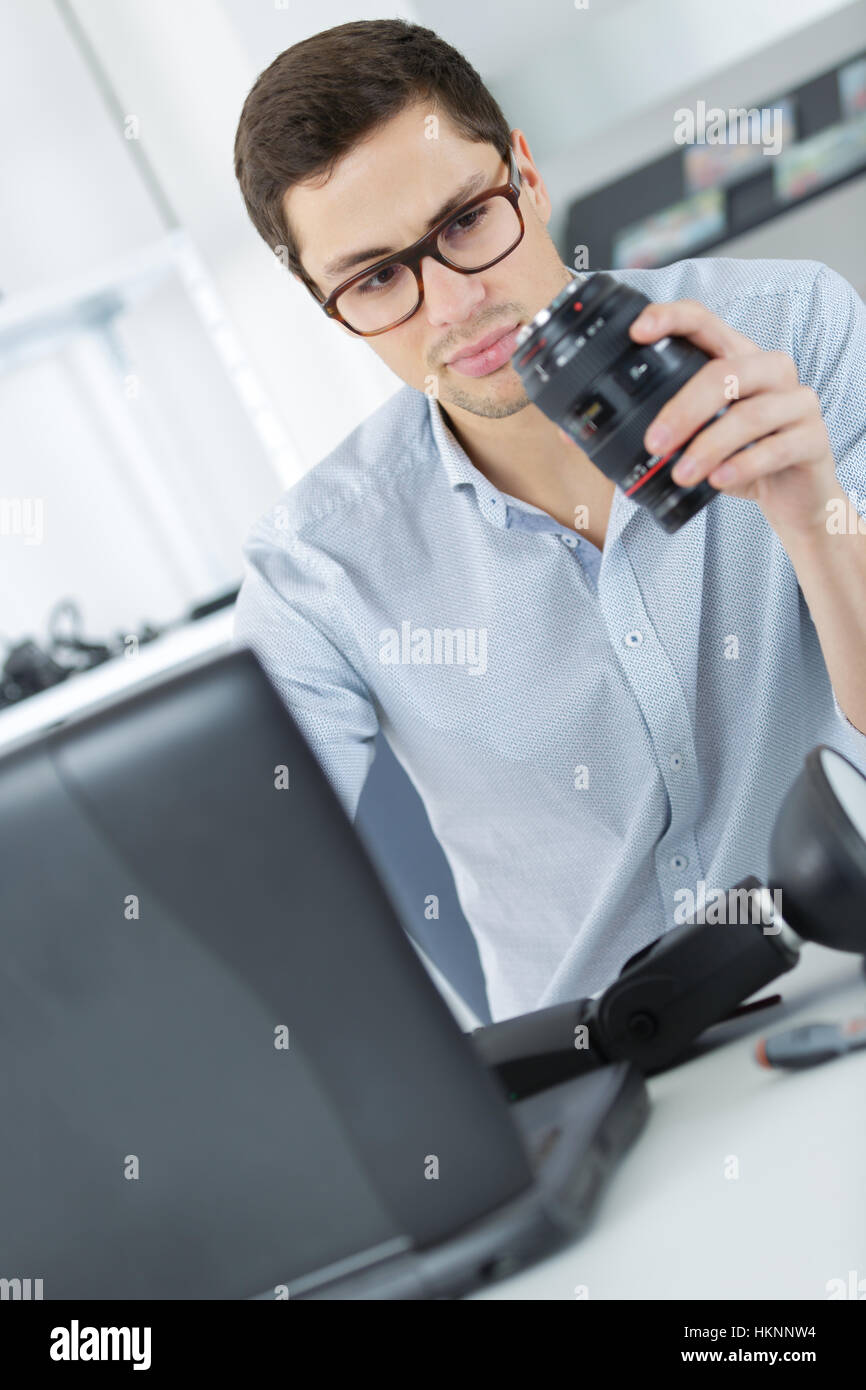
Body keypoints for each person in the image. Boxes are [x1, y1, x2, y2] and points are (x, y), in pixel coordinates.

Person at [231, 19, 866, 1022]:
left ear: (523, 173)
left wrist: (812, 521)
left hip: (847, 978)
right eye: (378, 279)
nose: (453, 305)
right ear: (329, 305)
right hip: (597, 1070)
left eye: (464, 222)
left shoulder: (792, 333)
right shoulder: (316, 567)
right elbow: (258, 898)